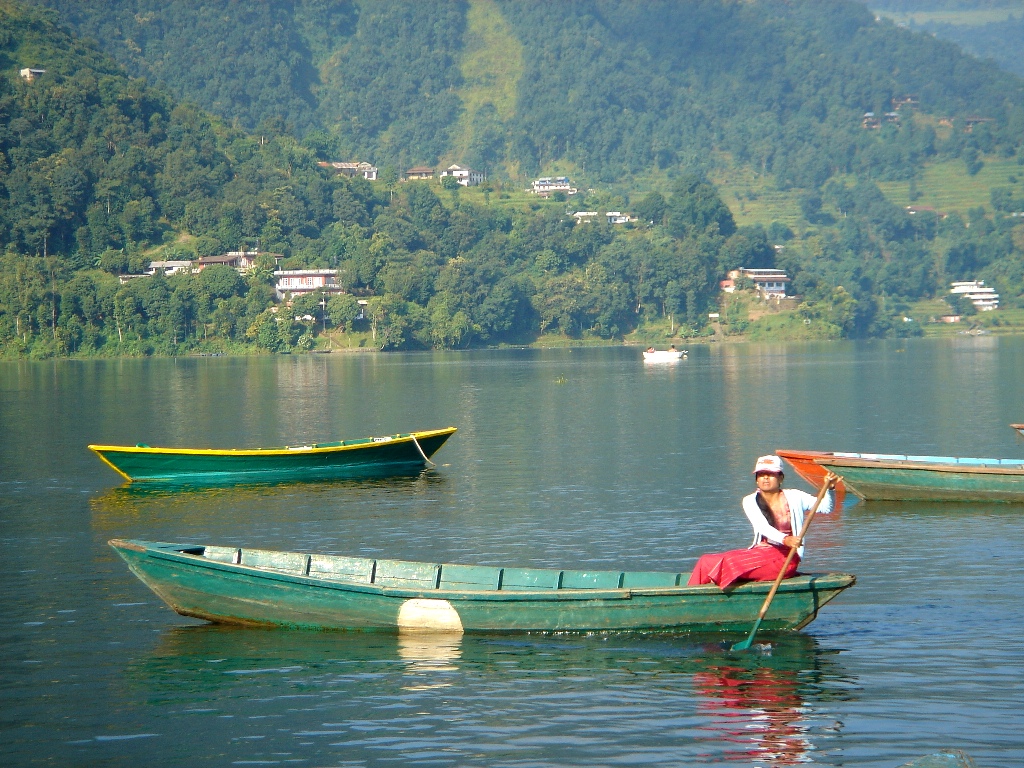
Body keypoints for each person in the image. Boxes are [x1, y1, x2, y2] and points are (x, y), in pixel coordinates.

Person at [687, 455, 838, 589]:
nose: (765, 478)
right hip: (761, 552)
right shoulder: (749, 501)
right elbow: (762, 526)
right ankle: (688, 596)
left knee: (730, 562)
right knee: (705, 561)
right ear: (756, 479)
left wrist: (830, 489)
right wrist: (786, 539)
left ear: (780, 478)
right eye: (761, 474)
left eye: (771, 474)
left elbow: (826, 508)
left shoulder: (795, 496)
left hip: (786, 559)